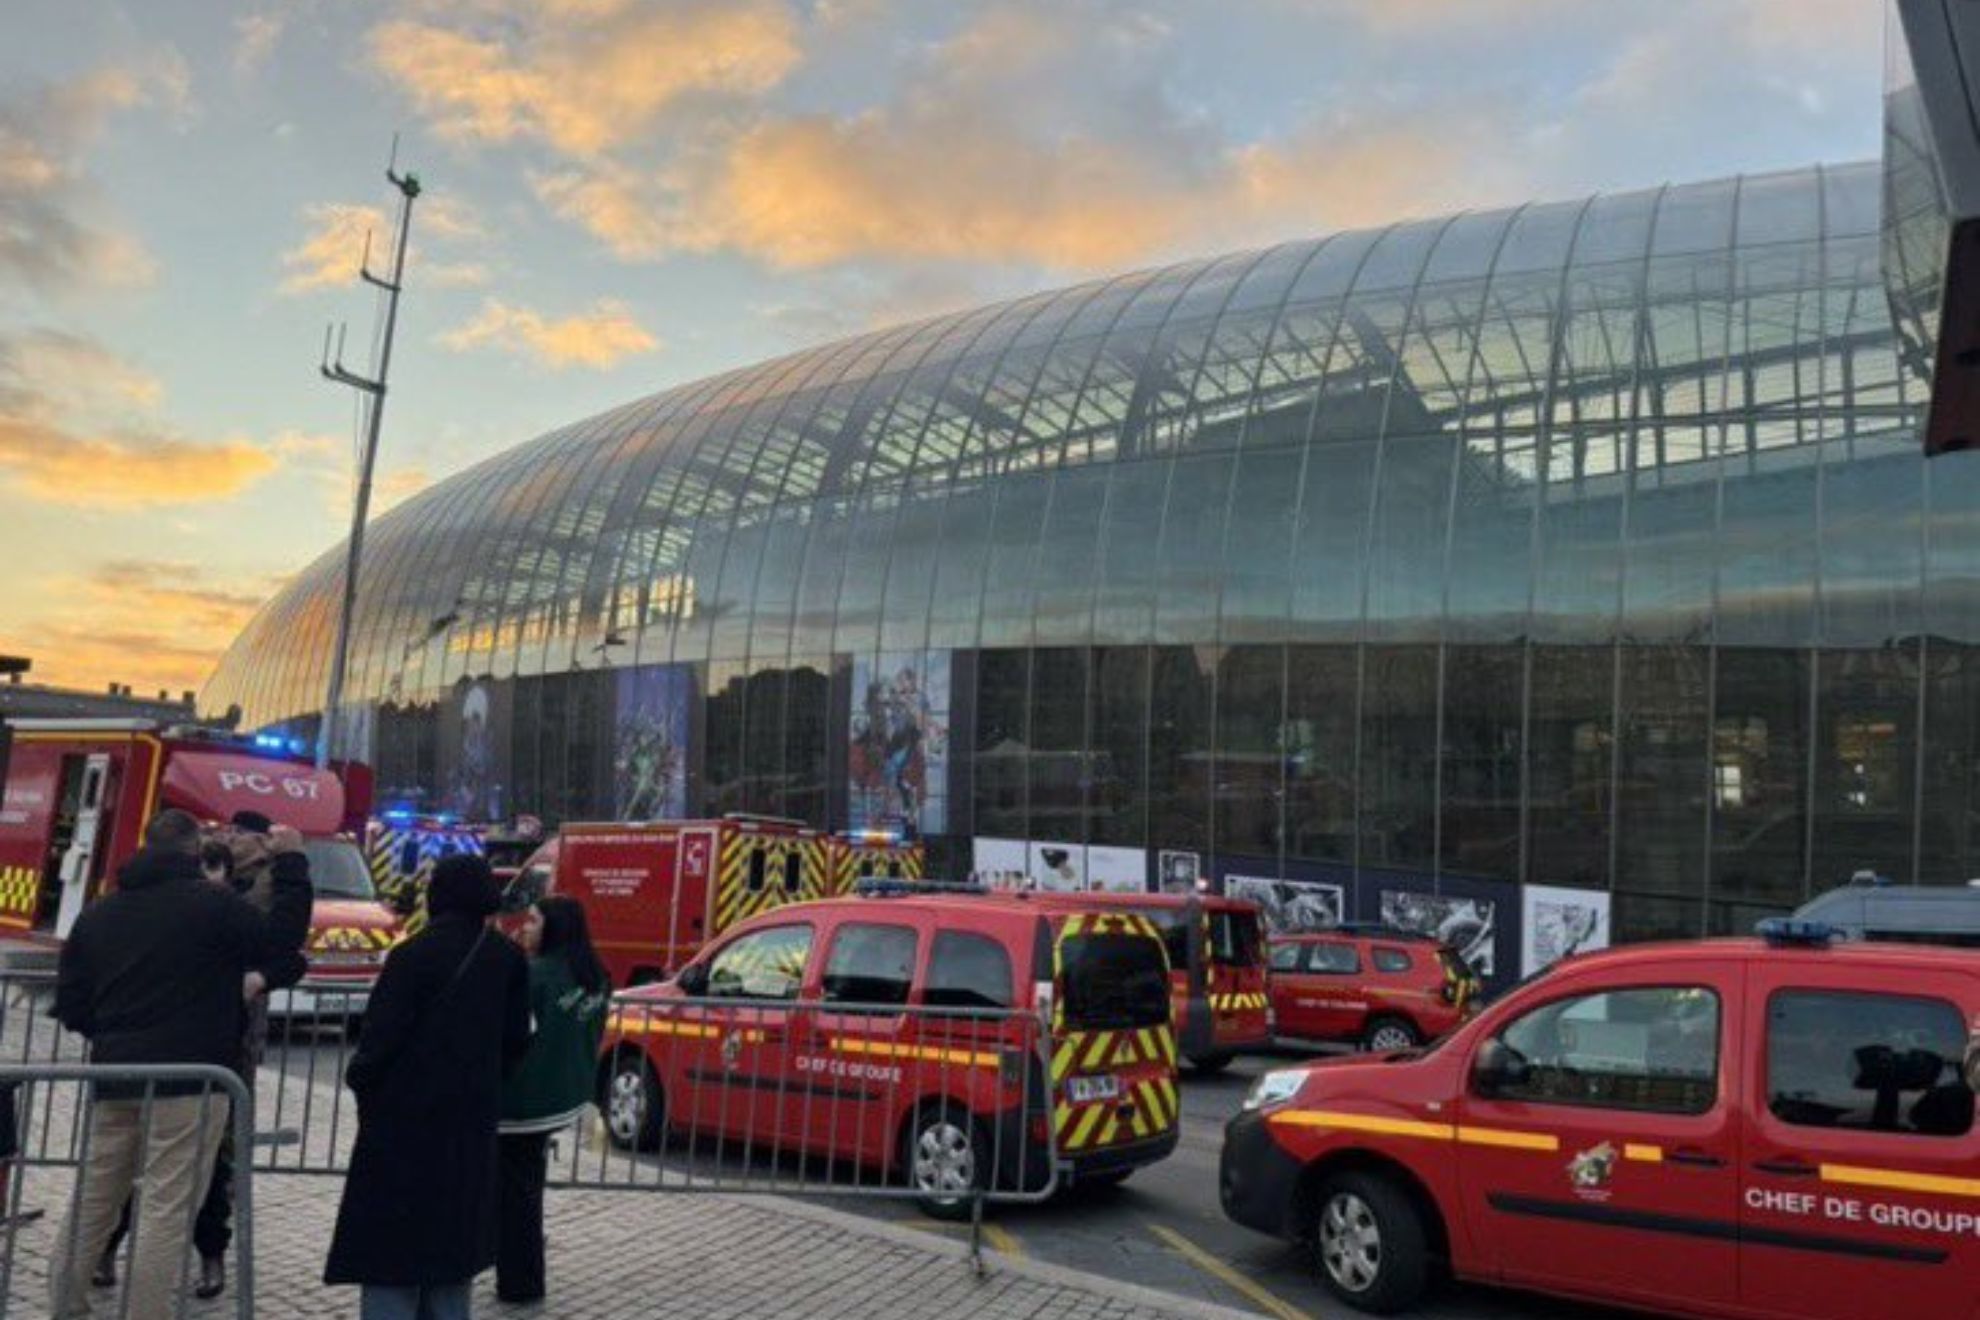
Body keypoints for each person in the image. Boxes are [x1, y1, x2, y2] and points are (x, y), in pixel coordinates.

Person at [50, 808, 310, 1320]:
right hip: (192, 1078)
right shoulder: (212, 908)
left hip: (115, 1078)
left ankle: (65, 1307)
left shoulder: (100, 914)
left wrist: (114, 1038)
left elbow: (71, 1003)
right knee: (166, 1208)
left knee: (93, 1199)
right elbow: (280, 939)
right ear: (195, 852)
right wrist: (294, 863)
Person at [326, 853, 530, 1320]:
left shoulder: (412, 955)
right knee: (450, 1258)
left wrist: (365, 1085)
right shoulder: (507, 958)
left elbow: (379, 1041)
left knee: (390, 1257)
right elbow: (516, 1040)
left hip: (402, 1124)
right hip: (469, 1125)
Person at [496, 897, 608, 1304]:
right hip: (564, 1094)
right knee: (525, 1188)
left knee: (515, 1196)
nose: (526, 927)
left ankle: (520, 1283)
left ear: (554, 927)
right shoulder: (594, 975)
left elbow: (511, 1036)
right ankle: (519, 1272)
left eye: (534, 920)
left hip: (523, 1101)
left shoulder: (536, 975)